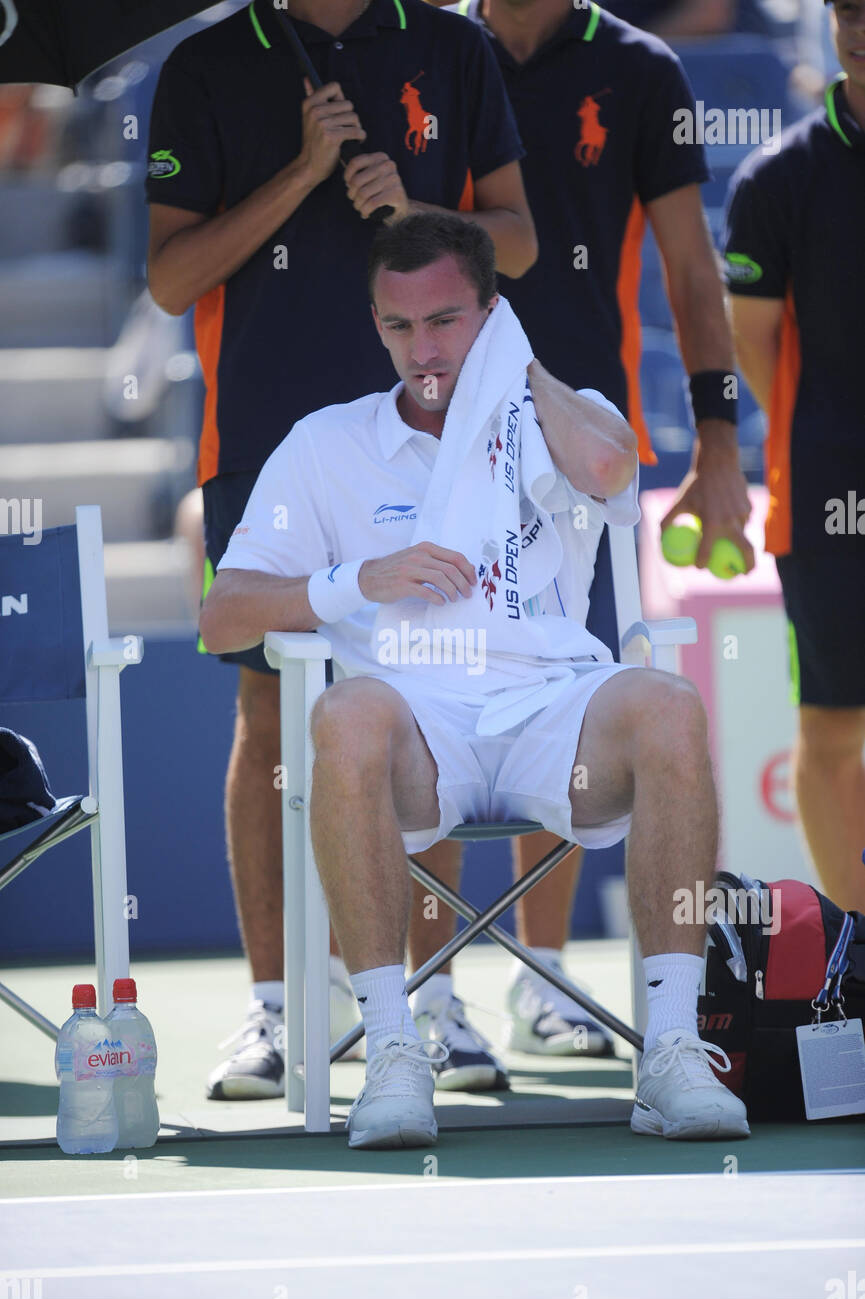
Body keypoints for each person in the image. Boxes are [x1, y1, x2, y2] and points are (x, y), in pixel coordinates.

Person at [199, 210, 751, 1149]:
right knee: (345, 710)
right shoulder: (325, 442)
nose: (424, 349)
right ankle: (390, 1051)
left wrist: (515, 370)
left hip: (554, 712)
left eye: (448, 322)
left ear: (492, 315)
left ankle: (669, 1052)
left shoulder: (560, 413)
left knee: (669, 703)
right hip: (417, 730)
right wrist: (353, 582)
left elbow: (613, 466)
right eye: (399, 326)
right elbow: (223, 616)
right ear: (373, 324)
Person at [145, 0, 537, 1099]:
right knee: (267, 709)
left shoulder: (453, 46)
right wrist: (302, 171)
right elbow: (171, 279)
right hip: (265, 441)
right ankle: (280, 1012)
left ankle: (435, 1001)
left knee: (436, 695)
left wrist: (411, 208)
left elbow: (518, 240)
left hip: (433, 442)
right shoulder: (210, 63)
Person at [402, 0, 752, 1079]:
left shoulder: (641, 72)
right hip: (429, 433)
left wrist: (720, 442)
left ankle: (538, 978)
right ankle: (431, 997)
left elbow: (693, 268)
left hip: (582, 449)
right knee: (428, 692)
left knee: (569, 690)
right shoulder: (423, 51)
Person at [723, 0, 865, 915]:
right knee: (833, 727)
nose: (858, 25)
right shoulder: (776, 178)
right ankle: (857, 954)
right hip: (825, 491)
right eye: (847, 7)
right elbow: (757, 354)